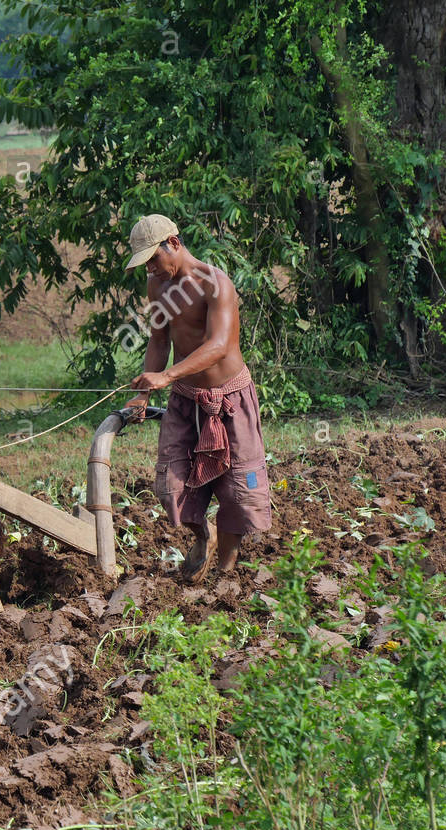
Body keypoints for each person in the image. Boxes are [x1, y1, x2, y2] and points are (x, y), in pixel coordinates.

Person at [123, 214, 272, 581]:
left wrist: (167, 376)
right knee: (169, 485)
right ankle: (203, 535)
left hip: (230, 398)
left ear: (173, 243)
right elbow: (159, 342)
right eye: (145, 265)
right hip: (186, 400)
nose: (151, 270)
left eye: (153, 260)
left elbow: (219, 345)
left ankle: (224, 571)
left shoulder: (216, 284)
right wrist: (143, 394)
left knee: (238, 491)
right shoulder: (157, 286)